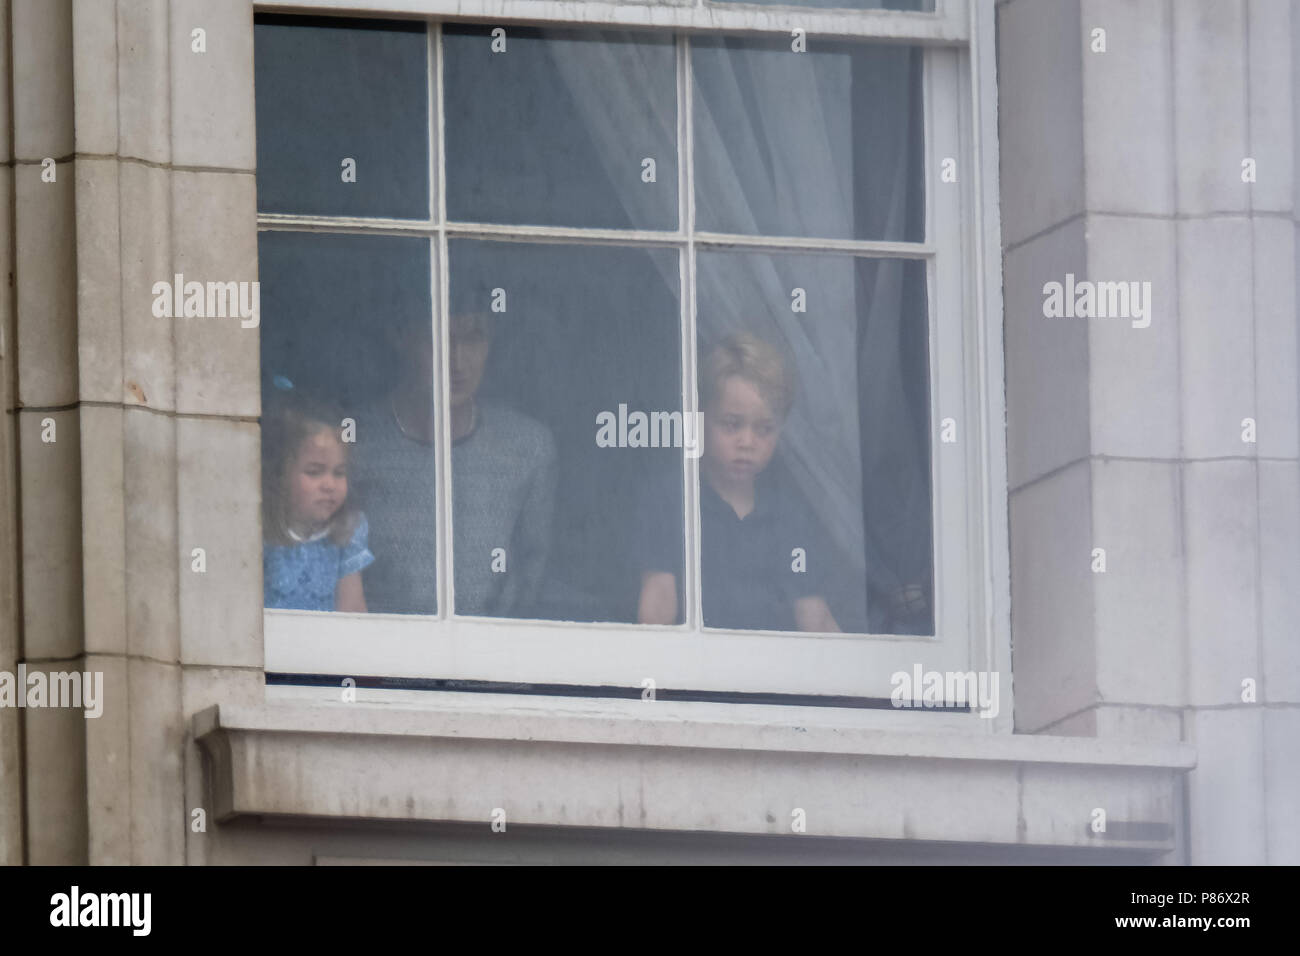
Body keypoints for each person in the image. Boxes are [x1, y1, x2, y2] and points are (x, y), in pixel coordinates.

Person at [350, 310, 557, 617]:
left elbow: (532, 572)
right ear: (403, 337)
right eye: (438, 337)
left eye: (474, 338)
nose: (456, 361)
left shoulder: (527, 447)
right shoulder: (355, 441)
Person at [637, 333, 841, 632]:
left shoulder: (791, 514)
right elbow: (658, 607)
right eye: (732, 425)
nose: (747, 442)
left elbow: (813, 614)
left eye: (764, 429)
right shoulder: (671, 502)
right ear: (701, 419)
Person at [262, 387, 373, 612]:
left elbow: (352, 611)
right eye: (314, 472)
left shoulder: (347, 532)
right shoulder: (262, 532)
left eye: (339, 473)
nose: (329, 485)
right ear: (280, 475)